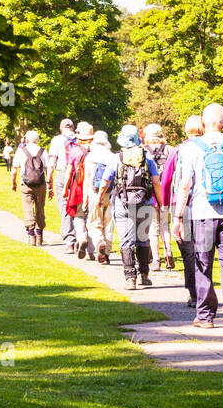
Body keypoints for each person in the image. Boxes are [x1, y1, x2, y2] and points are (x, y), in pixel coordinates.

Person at [171, 102, 223, 332]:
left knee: (203, 264)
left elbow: (185, 185)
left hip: (202, 215)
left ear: (203, 122)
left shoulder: (191, 147)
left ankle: (205, 317)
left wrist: (178, 217)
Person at [100, 124, 160, 289]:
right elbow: (155, 182)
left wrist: (100, 198)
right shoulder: (147, 157)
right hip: (145, 202)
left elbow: (105, 182)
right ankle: (144, 275)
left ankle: (130, 279)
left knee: (126, 240)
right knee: (142, 239)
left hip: (122, 203)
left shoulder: (116, 158)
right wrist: (161, 203)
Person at [161, 115, 205, 307]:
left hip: (182, 203)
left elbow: (167, 177)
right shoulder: (208, 147)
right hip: (206, 203)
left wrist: (165, 201)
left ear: (186, 131)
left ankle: (194, 292)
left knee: (187, 250)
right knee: (204, 248)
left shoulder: (178, 149)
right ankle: (204, 290)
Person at [58, 122, 94, 258]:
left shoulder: (74, 150)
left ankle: (81, 237)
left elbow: (69, 172)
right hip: (94, 188)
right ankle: (91, 251)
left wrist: (65, 189)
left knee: (79, 216)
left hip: (78, 186)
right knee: (92, 218)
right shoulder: (96, 149)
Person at [143, 123, 175, 270]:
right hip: (167, 192)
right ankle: (169, 253)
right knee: (165, 226)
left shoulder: (143, 151)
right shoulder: (170, 150)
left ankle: (156, 258)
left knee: (153, 228)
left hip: (150, 194)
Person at [11, 129, 50, 246]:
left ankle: (31, 235)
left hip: (26, 184)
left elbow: (14, 170)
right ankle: (39, 235)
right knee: (40, 209)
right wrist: (50, 184)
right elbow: (48, 169)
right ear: (38, 140)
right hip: (41, 184)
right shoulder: (43, 151)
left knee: (28, 209)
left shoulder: (21, 151)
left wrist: (13, 183)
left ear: (27, 139)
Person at [84, 131, 116, 264]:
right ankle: (106, 253)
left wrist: (85, 198)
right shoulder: (113, 156)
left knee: (93, 223)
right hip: (111, 193)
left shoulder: (90, 157)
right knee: (109, 223)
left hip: (94, 193)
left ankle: (98, 242)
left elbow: (87, 180)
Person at [46, 118, 75, 202]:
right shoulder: (80, 139)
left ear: (61, 128)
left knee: (63, 203)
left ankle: (66, 215)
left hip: (62, 173)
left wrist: (49, 181)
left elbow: (52, 163)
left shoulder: (56, 140)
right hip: (77, 174)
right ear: (73, 128)